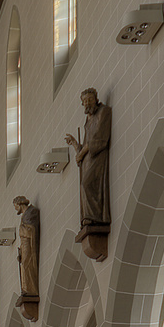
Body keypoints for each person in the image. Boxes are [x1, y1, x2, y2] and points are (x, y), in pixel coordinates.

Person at [66, 88, 111, 236]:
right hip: (88, 159)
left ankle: (95, 216)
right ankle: (89, 217)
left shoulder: (103, 112)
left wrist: (81, 154)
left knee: (86, 184)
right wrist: (74, 144)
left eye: (90, 100)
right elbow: (86, 143)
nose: (87, 103)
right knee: (84, 186)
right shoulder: (88, 120)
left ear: (96, 99)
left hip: (97, 157)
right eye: (85, 101)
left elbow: (98, 140)